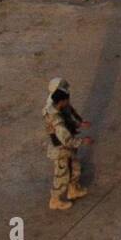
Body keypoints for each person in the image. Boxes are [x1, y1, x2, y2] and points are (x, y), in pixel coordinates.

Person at [44, 78, 91, 210]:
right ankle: (55, 200)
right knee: (61, 175)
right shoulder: (55, 117)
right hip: (61, 148)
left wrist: (79, 123)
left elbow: (69, 118)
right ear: (62, 101)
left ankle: (73, 190)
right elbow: (66, 139)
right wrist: (83, 141)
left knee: (75, 167)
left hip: (68, 147)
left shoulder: (60, 107)